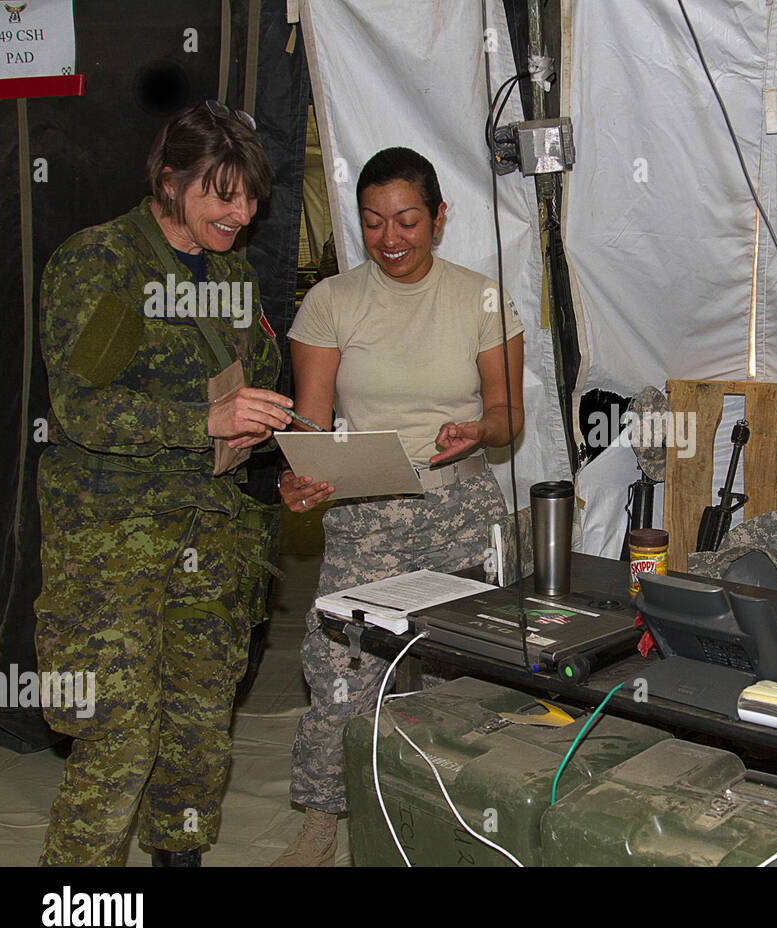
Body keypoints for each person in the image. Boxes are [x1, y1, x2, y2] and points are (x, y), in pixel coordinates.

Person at [35, 102, 288, 866]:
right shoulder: (105, 262)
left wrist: (278, 445)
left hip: (211, 536)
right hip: (112, 542)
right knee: (120, 735)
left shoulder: (234, 272)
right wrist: (204, 421)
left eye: (249, 198)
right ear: (169, 181)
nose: (239, 214)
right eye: (221, 195)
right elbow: (83, 407)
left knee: (199, 728)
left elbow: (261, 381)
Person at [274, 147, 524, 866]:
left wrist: (479, 429)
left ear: (439, 219)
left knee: (463, 675)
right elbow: (312, 426)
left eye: (408, 220)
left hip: (463, 515)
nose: (391, 239)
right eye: (374, 222)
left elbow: (507, 415)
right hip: (366, 517)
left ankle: (454, 817)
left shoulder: (480, 296)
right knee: (342, 672)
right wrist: (302, 478)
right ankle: (324, 820)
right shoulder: (331, 302)